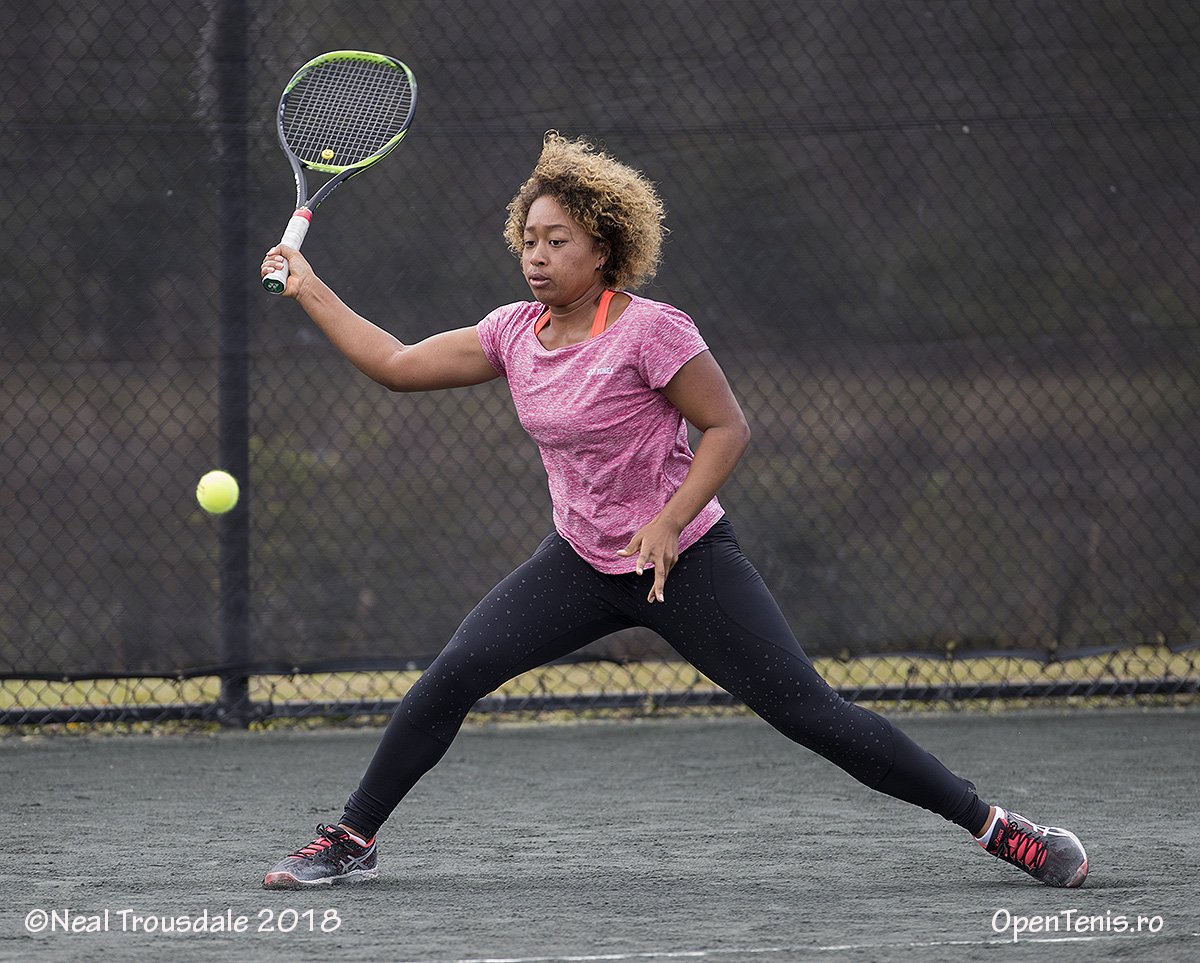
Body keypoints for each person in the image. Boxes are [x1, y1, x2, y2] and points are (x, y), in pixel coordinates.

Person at [258, 131, 1088, 890]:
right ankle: (352, 838)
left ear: (605, 249)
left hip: (685, 560)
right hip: (581, 563)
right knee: (451, 678)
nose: (537, 258)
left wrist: (666, 520)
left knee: (812, 715)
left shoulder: (652, 331)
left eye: (558, 242)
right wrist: (311, 288)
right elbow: (398, 364)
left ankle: (997, 826)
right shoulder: (514, 332)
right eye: (529, 241)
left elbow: (728, 427)